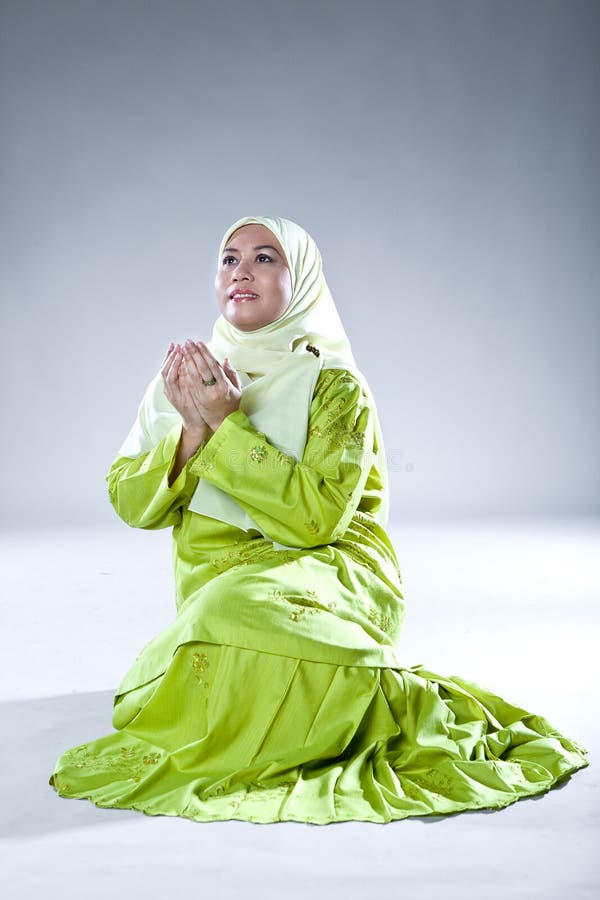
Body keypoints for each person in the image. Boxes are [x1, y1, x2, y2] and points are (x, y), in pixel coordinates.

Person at [48, 215, 588, 824]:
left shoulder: (335, 386)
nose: (241, 272)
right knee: (204, 633)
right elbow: (126, 499)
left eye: (265, 259)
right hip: (219, 579)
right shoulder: (186, 378)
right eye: (229, 259)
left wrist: (228, 425)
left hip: (331, 568)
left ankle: (356, 697)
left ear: (301, 279)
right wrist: (191, 435)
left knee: (230, 615)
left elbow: (317, 521)